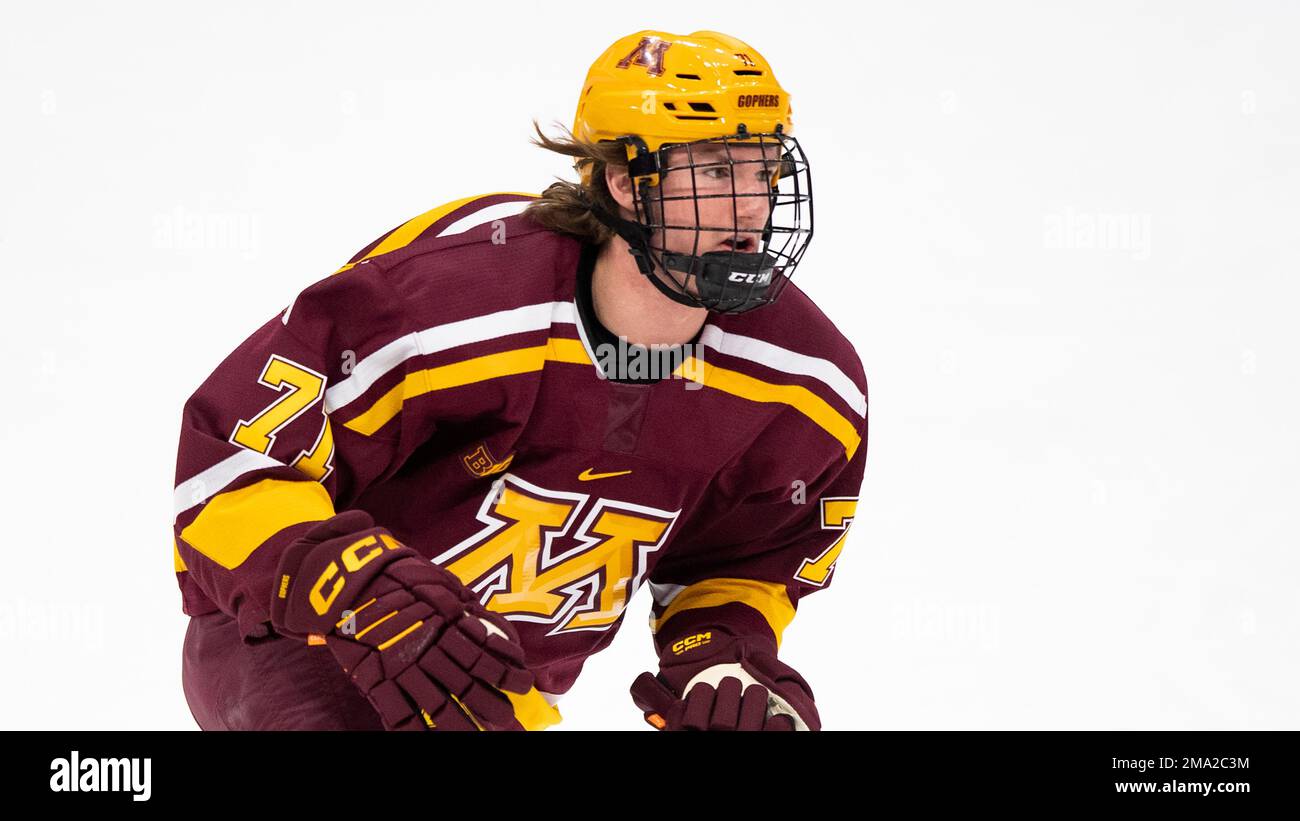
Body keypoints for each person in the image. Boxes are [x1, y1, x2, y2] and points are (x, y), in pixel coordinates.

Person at [173, 29, 867, 731]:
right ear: (626, 182)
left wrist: (723, 658)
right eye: (715, 173)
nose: (751, 205)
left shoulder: (806, 380)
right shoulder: (452, 300)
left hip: (498, 693)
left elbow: (743, 558)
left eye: (763, 170)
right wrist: (361, 586)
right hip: (303, 645)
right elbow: (229, 461)